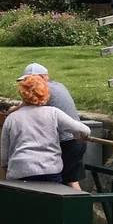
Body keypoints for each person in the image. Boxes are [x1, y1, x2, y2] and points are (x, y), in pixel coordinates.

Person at [1, 72, 91, 185]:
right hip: (50, 171)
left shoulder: (11, 118)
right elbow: (84, 130)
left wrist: (8, 169)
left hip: (19, 172)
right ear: (45, 93)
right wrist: (81, 136)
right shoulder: (53, 113)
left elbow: (4, 157)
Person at [20, 61, 87, 189]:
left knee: (61, 183)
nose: (26, 84)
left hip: (66, 142)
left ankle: (76, 208)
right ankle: (84, 207)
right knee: (71, 180)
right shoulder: (59, 86)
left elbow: (27, 107)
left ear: (39, 77)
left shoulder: (44, 90)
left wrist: (13, 111)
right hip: (77, 141)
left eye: (28, 79)